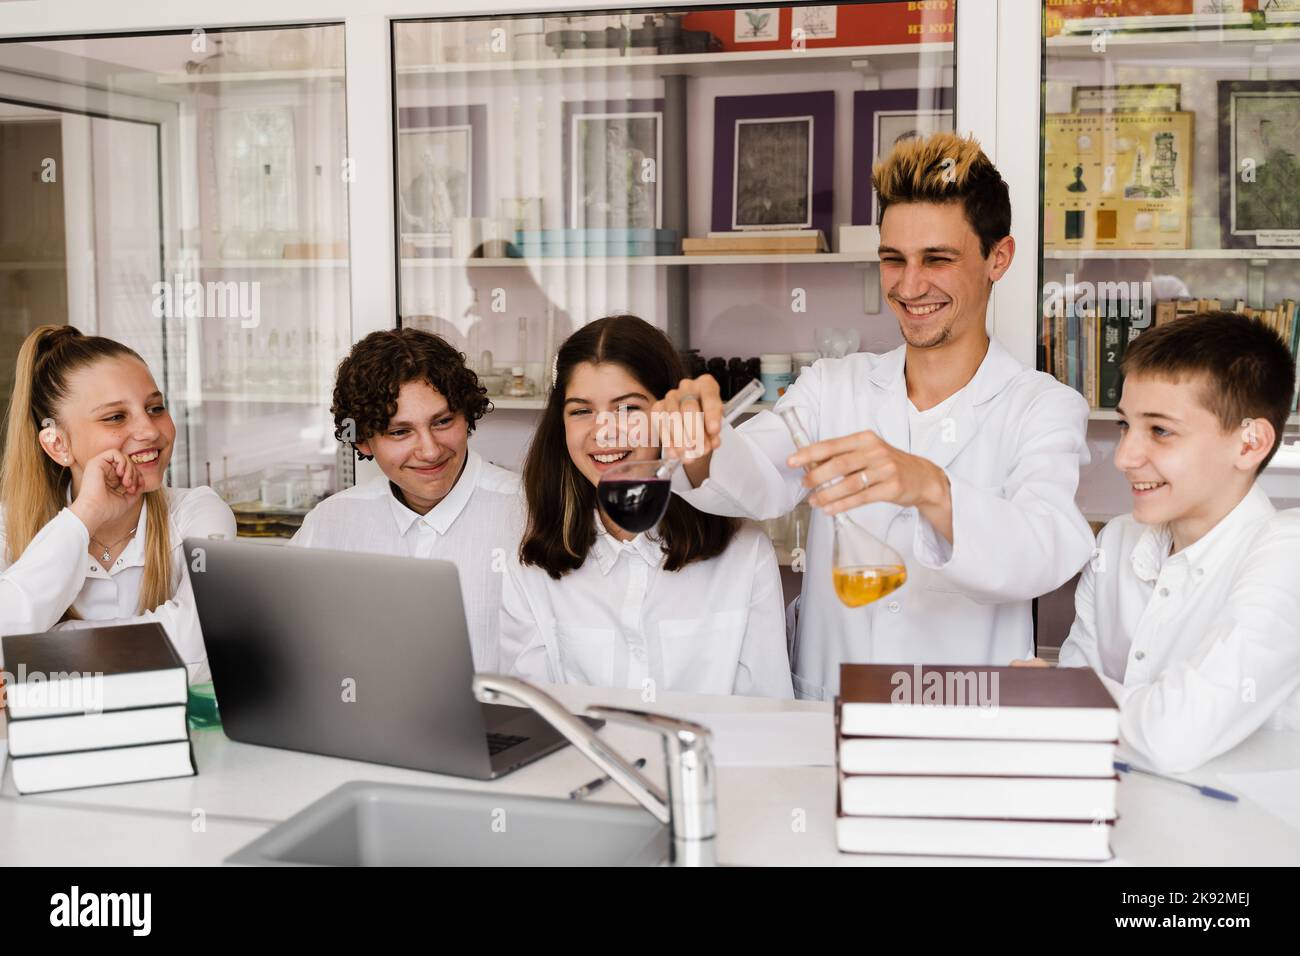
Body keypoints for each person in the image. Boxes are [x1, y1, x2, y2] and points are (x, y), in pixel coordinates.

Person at [652, 132, 1095, 699]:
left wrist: (931, 488)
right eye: (893, 260)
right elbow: (757, 481)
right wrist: (703, 441)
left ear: (998, 259)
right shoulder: (833, 385)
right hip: (829, 713)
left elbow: (1042, 551)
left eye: (938, 259)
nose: (910, 286)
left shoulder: (1042, 407)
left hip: (963, 727)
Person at [1046, 312, 1300, 772]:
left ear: (1249, 444)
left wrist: (1064, 698)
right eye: (1125, 425)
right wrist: (1069, 699)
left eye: (1160, 430)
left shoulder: (1288, 550)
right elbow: (1071, 699)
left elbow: (1174, 735)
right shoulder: (1119, 541)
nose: (1124, 457)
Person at [498, 315, 793, 699]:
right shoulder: (531, 560)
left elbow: (767, 720)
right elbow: (530, 714)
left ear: (671, 416)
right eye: (581, 410)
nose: (604, 432)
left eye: (628, 409)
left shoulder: (744, 554)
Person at [0, 325, 236, 682]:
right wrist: (86, 515)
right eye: (116, 417)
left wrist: (33, 654)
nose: (150, 431)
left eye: (155, 408)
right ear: (58, 445)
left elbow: (198, 647)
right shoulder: (8, 527)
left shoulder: (198, 514)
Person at [290, 328, 523, 672]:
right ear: (363, 442)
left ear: (467, 415)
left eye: (443, 421)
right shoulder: (330, 522)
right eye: (400, 432)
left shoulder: (527, 513)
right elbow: (290, 642)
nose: (430, 451)